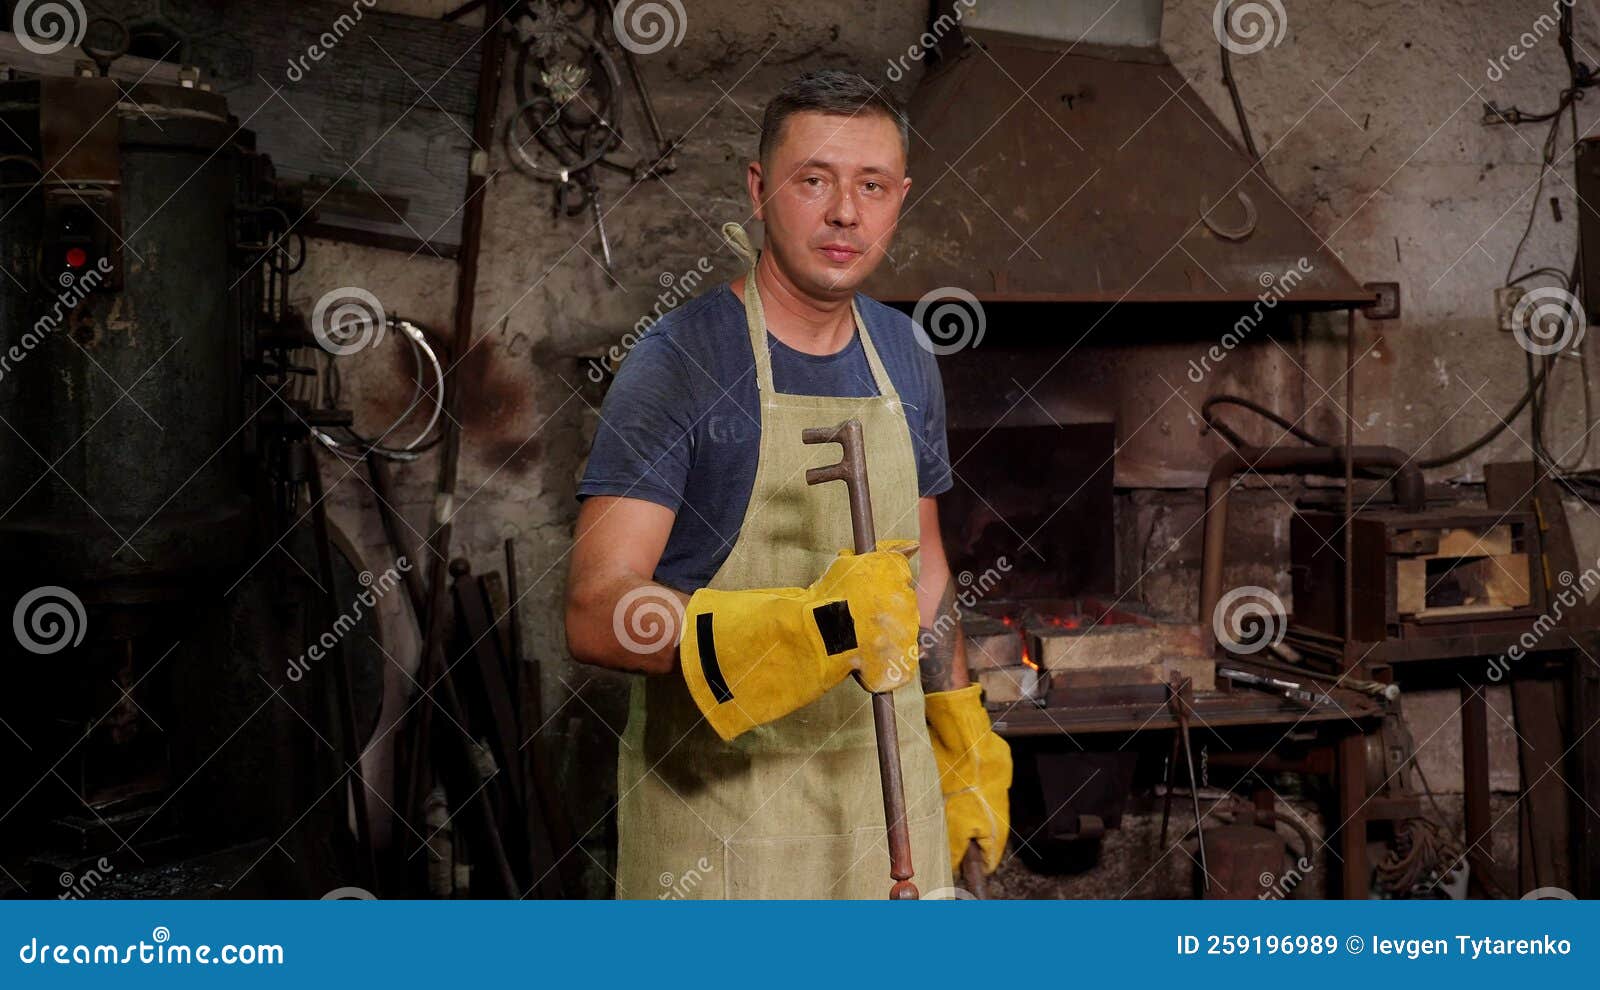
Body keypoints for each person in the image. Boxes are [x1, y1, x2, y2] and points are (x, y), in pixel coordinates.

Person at [565, 68, 1010, 899]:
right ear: (760, 189)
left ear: (898, 199)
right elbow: (596, 613)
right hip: (731, 837)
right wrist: (797, 635)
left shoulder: (908, 354)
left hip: (889, 819)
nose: (846, 212)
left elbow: (930, 569)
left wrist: (958, 737)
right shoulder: (680, 362)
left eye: (871, 186)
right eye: (815, 180)